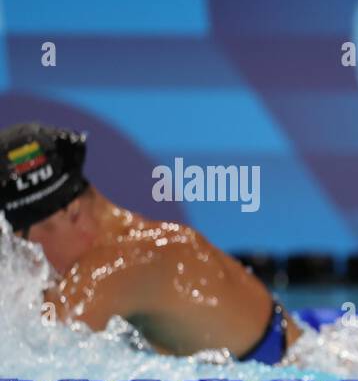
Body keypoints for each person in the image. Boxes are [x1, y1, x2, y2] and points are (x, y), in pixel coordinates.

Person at [0, 121, 299, 362]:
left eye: (18, 244)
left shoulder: (125, 259)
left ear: (71, 212)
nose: (22, 262)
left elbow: (35, 349)